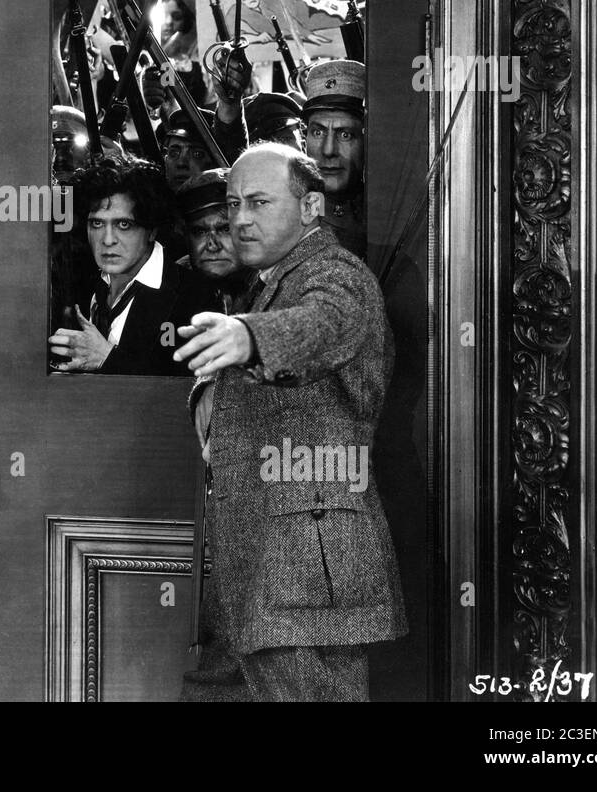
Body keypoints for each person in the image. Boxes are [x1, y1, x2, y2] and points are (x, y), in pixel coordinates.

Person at [175, 143, 405, 701]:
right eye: (233, 204)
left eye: (258, 202)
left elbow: (323, 324)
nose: (240, 220)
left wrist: (250, 336)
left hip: (302, 571)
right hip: (258, 571)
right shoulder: (275, 278)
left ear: (311, 209)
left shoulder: (337, 275)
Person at [49, 155, 203, 376]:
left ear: (152, 229)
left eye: (124, 224)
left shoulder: (193, 296)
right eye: (97, 223)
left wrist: (108, 358)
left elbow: (187, 388)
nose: (108, 239)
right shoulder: (80, 283)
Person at [302, 59, 366, 258]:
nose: (328, 150)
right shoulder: (291, 213)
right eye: (318, 133)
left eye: (345, 134)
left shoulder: (382, 210)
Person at [174, 169, 253, 313]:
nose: (212, 245)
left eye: (226, 229)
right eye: (199, 231)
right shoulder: (173, 282)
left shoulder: (276, 283)